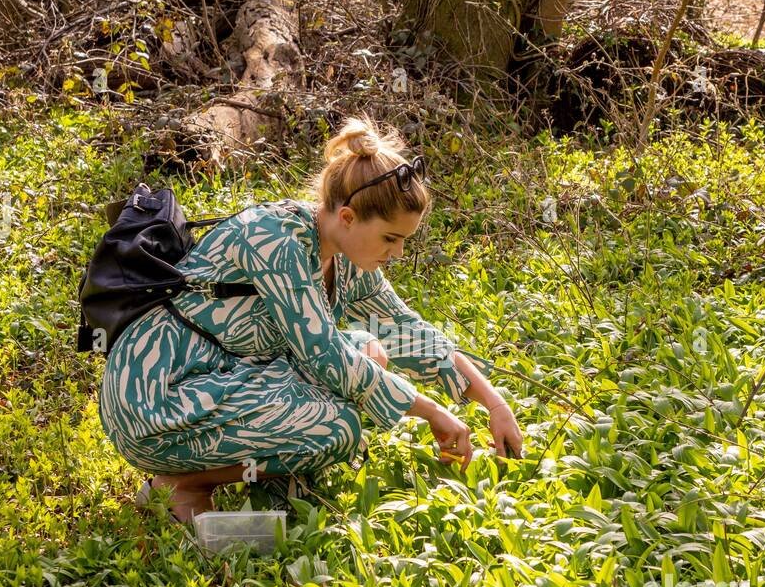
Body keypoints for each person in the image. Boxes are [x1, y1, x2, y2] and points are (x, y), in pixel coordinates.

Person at [98, 114, 524, 522]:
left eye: (403, 241)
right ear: (348, 218)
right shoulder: (275, 238)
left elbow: (407, 331)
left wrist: (495, 404)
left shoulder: (347, 257)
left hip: (222, 378)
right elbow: (324, 355)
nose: (396, 253)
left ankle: (273, 477)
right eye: (390, 238)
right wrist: (432, 411)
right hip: (156, 398)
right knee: (338, 428)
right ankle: (180, 483)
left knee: (369, 351)